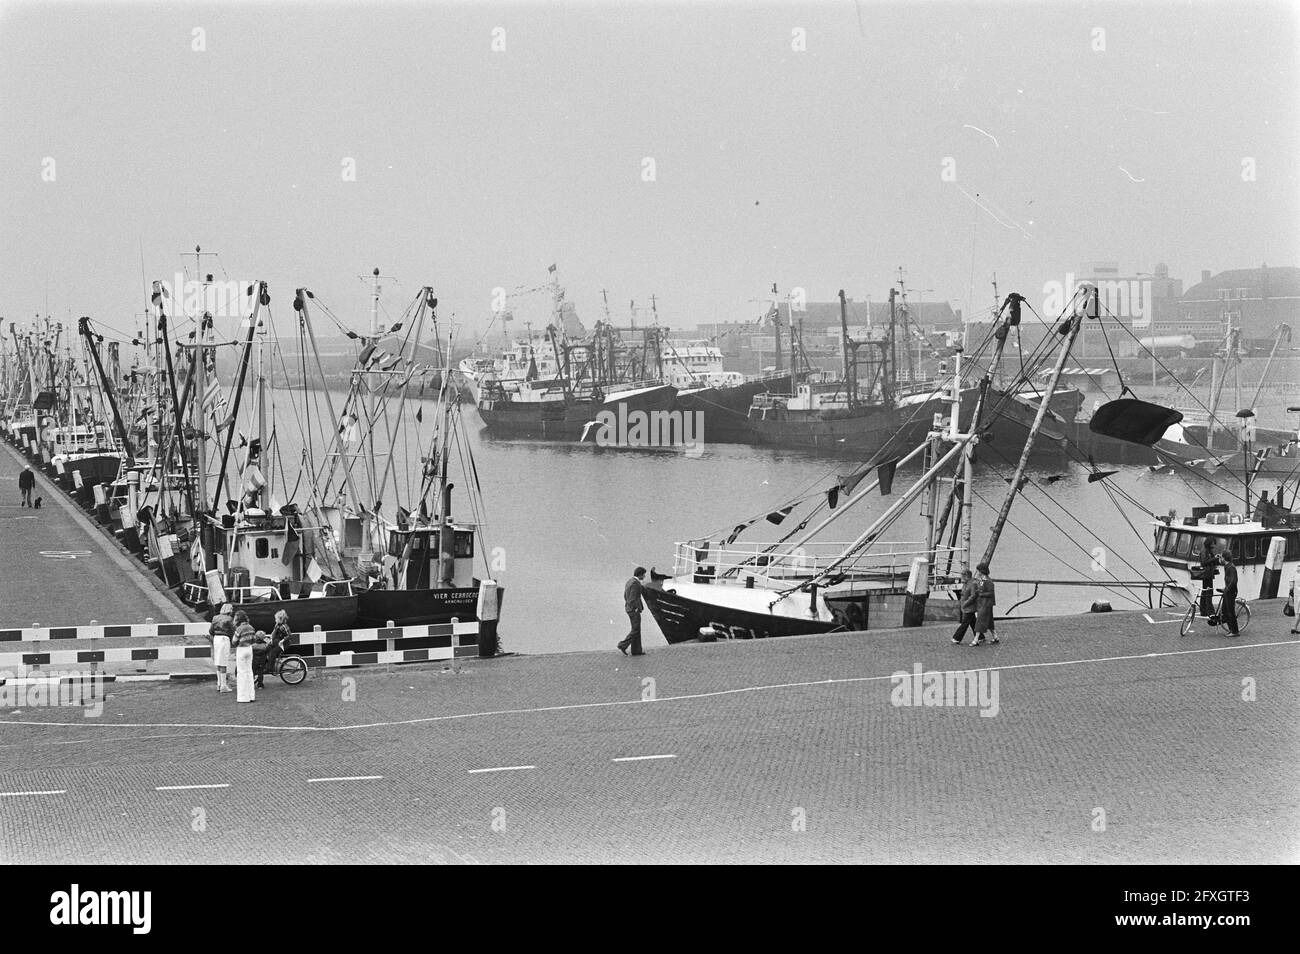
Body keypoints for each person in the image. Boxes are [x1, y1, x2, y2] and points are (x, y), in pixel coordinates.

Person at [617, 567, 647, 656]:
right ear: (640, 574)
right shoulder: (635, 584)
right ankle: (623, 645)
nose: (644, 576)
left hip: (629, 609)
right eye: (644, 574)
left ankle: (636, 650)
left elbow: (626, 596)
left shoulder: (630, 581)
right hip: (633, 610)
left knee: (636, 629)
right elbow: (632, 598)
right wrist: (636, 608)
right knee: (636, 629)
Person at [260, 609, 292, 688]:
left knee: (273, 653)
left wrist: (283, 640)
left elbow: (289, 635)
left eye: (276, 618)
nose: (275, 620)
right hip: (278, 642)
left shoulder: (284, 626)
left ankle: (270, 668)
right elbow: (273, 633)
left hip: (284, 644)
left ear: (280, 619)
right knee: (268, 648)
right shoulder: (277, 625)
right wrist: (270, 639)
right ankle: (268, 663)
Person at [210, 603, 235, 692]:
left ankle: (219, 683)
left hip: (216, 639)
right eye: (231, 609)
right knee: (223, 662)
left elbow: (211, 631)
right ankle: (223, 685)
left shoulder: (215, 618)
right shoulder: (229, 619)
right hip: (224, 638)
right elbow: (233, 631)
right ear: (229, 610)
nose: (232, 610)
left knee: (218, 661)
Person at [232, 611, 257, 703]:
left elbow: (234, 641)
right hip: (249, 649)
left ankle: (243, 697)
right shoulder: (251, 627)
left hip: (241, 649)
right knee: (249, 671)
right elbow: (254, 639)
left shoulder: (239, 629)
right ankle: (251, 695)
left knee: (241, 672)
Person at [971, 563, 997, 646]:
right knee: (989, 621)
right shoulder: (982, 580)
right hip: (983, 603)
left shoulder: (988, 581)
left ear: (982, 571)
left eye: (978, 570)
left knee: (980, 620)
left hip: (986, 604)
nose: (977, 572)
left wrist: (981, 594)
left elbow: (991, 593)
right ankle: (995, 637)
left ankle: (976, 639)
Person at [950, 569, 978, 645]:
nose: (961, 577)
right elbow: (965, 592)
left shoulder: (972, 584)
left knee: (964, 623)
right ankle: (980, 637)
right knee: (973, 622)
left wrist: (965, 603)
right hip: (965, 606)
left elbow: (973, 596)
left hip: (969, 607)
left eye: (962, 576)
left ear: (966, 576)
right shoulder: (966, 583)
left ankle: (957, 638)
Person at [1218, 553, 1240, 638]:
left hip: (1230, 592)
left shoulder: (1231, 568)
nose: (1221, 559)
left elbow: (1233, 581)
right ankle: (1231, 629)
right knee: (1225, 611)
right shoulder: (1227, 566)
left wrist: (1227, 589)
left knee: (1230, 612)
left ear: (1225, 558)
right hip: (1228, 591)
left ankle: (1235, 631)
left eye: (1221, 557)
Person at [1198, 537, 1219, 618]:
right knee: (1209, 592)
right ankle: (1210, 611)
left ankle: (1203, 610)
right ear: (1209, 543)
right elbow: (1204, 562)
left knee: (1205, 592)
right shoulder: (1204, 551)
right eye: (1213, 543)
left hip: (1208, 574)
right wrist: (1214, 558)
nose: (1214, 545)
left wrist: (1215, 558)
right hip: (1206, 574)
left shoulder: (1208, 550)